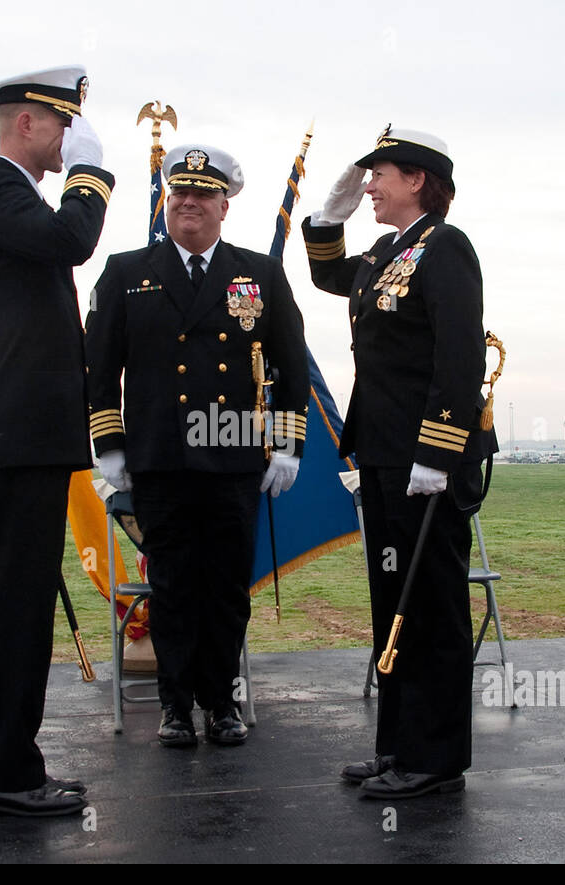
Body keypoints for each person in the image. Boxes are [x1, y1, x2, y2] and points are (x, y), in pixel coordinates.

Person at [85, 144, 309, 747]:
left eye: (203, 194)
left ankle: (222, 701)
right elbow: (99, 369)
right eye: (179, 191)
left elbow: (291, 367)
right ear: (166, 200)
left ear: (224, 205)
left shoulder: (258, 274)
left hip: (232, 456)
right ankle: (175, 706)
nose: (189, 202)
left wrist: (286, 445)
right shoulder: (126, 273)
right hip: (159, 458)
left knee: (227, 588)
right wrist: (109, 442)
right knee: (174, 586)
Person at [302, 126, 496, 798]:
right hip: (384, 454)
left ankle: (436, 757)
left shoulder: (446, 248)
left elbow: (459, 355)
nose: (370, 185)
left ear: (417, 178)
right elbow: (330, 274)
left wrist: (439, 451)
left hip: (426, 458)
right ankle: (398, 745)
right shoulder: (388, 251)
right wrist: (327, 219)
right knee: (394, 602)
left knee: (432, 604)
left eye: (378, 173)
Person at [0, 65, 114, 817]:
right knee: (9, 612)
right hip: (15, 436)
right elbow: (73, 240)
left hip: (27, 437)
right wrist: (94, 170)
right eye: (63, 125)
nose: (69, 137)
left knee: (18, 610)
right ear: (28, 124)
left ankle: (10, 764)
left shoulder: (7, 196)